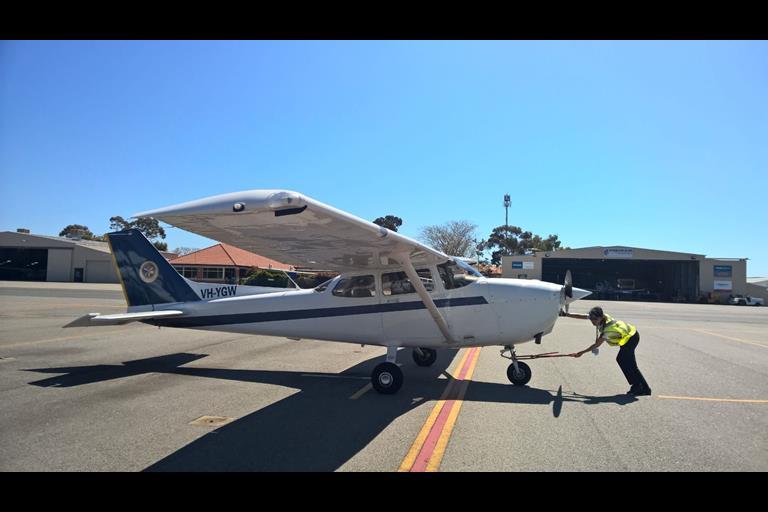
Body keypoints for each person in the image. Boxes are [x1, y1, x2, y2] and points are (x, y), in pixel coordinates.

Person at [560, 306, 652, 396]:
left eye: (594, 319)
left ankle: (638, 386)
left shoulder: (608, 329)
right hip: (629, 336)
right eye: (591, 318)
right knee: (626, 362)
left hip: (631, 338)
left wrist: (580, 353)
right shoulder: (601, 317)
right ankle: (644, 388)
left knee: (625, 361)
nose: (592, 321)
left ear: (600, 317)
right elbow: (583, 316)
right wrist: (566, 314)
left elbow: (597, 345)